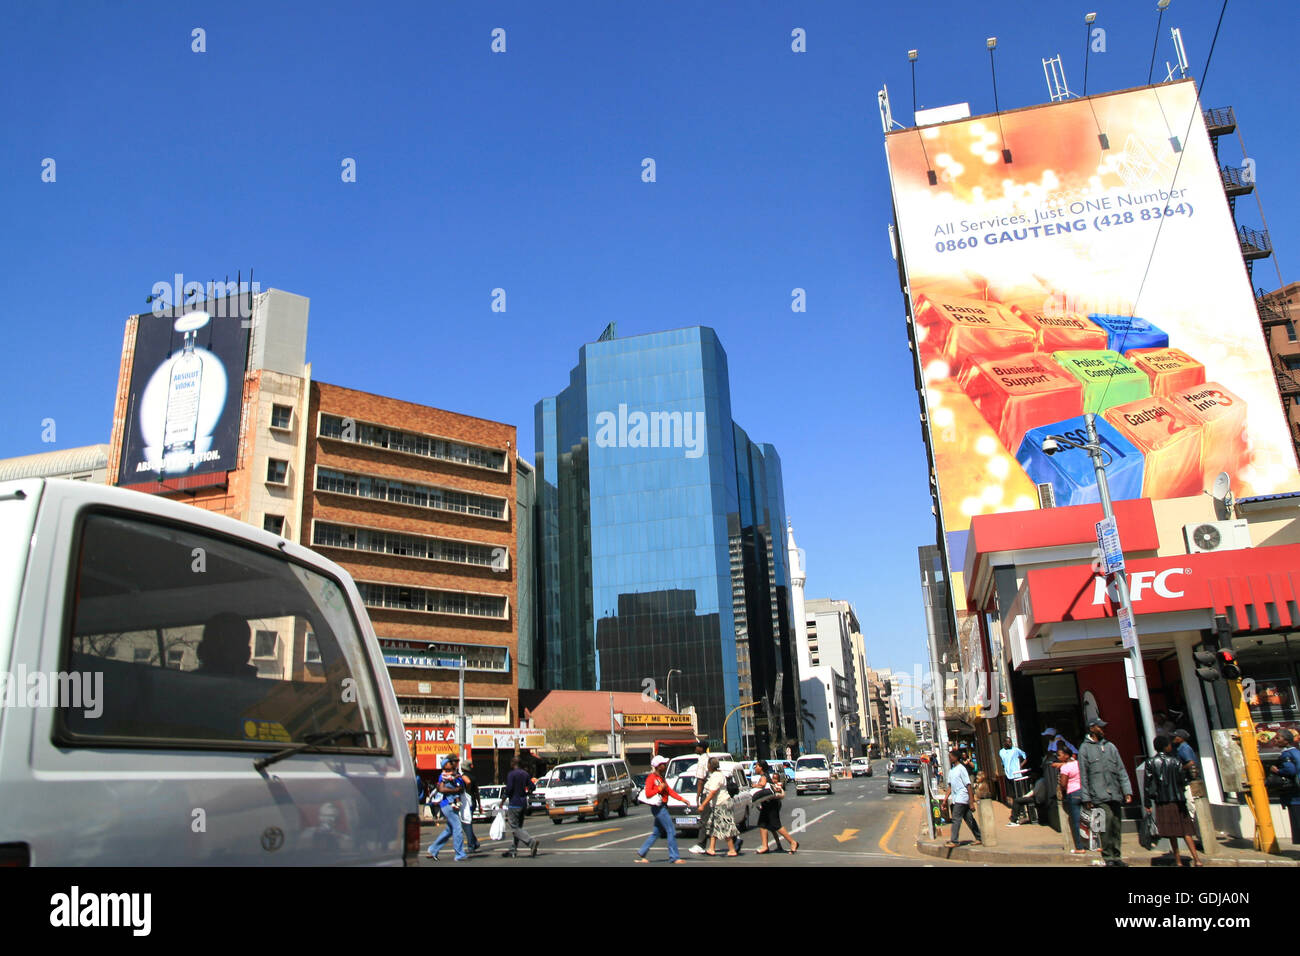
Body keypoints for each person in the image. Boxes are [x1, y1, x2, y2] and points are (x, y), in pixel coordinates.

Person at [1077, 717, 1132, 867]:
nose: (1103, 729)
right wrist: (1086, 797)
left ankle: (1116, 856)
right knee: (1105, 824)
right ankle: (1108, 857)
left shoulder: (1111, 747)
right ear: (1092, 729)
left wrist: (1127, 790)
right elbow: (1084, 775)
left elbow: (1121, 770)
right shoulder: (1084, 749)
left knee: (1116, 824)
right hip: (1098, 795)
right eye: (1100, 727)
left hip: (1114, 793)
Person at [1144, 735, 1201, 867]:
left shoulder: (1151, 762)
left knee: (1172, 833)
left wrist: (1147, 802)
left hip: (1162, 801)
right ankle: (1197, 859)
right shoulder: (1176, 761)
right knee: (1186, 831)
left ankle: (1178, 860)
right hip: (1178, 800)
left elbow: (1147, 784)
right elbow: (1182, 780)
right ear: (1165, 746)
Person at [636, 755, 685, 863]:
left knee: (656, 833)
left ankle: (642, 852)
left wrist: (682, 799)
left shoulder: (661, 778)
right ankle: (674, 857)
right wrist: (659, 788)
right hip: (658, 808)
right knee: (671, 830)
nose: (665, 765)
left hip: (662, 807)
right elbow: (648, 793)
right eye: (663, 764)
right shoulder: (651, 778)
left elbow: (669, 791)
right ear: (658, 766)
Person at [752, 759, 798, 854]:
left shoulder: (764, 776)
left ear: (761, 767)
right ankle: (765, 846)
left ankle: (792, 842)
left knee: (776, 825)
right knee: (762, 824)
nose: (755, 768)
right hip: (768, 803)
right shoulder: (765, 775)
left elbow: (762, 784)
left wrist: (755, 785)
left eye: (756, 766)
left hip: (771, 804)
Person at [427, 757, 469, 861]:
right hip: (447, 804)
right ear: (445, 765)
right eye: (450, 762)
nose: (453, 763)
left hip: (454, 803)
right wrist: (455, 790)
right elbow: (441, 788)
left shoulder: (455, 774)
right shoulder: (444, 776)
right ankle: (459, 854)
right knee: (458, 828)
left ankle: (433, 850)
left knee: (449, 830)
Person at [195, 612, 259, 678]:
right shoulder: (260, 687)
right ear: (247, 654)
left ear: (200, 650)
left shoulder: (187, 684)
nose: (222, 653)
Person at [700, 757, 741, 856]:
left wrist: (703, 804)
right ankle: (711, 848)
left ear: (710, 765)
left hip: (722, 803)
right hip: (716, 805)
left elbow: (712, 792)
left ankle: (732, 849)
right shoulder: (714, 775)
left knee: (725, 826)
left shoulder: (716, 776)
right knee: (713, 825)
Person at [502, 756, 539, 858]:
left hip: (514, 803)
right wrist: (527, 793)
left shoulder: (511, 774)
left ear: (513, 763)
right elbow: (532, 786)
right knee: (518, 828)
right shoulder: (525, 774)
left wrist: (503, 800)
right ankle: (513, 850)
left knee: (514, 828)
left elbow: (509, 789)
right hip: (523, 803)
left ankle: (531, 842)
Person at [944, 749, 981, 847]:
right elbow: (950, 786)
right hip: (956, 798)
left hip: (962, 797)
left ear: (956, 757)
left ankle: (954, 841)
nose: (949, 758)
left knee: (956, 819)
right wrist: (945, 800)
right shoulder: (952, 771)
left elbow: (968, 785)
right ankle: (979, 837)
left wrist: (971, 801)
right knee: (969, 819)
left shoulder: (961, 769)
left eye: (950, 756)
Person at [1056, 744, 1088, 854]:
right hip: (1083, 793)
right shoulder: (1079, 763)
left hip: (1072, 794)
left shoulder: (1065, 767)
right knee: (1087, 819)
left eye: (1059, 755)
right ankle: (1096, 844)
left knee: (1075, 821)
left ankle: (1079, 847)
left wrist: (1062, 789)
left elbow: (1063, 783)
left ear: (1066, 755)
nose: (1058, 757)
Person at [1270, 728, 1300, 844]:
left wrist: (1277, 771)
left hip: (1295, 797)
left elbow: (1290, 770)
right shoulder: (1296, 752)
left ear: (1286, 740)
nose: (1275, 740)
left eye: (1278, 738)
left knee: (1297, 822)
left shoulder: (1286, 754)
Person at [688, 742, 712, 855]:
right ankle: (735, 840)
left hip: (706, 793)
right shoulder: (708, 758)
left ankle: (701, 844)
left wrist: (698, 796)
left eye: (697, 746)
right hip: (712, 792)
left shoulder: (702, 760)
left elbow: (700, 780)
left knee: (703, 820)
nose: (695, 748)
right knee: (716, 819)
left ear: (701, 748)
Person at [1000, 736, 1029, 823]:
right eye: (1008, 742)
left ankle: (1023, 812)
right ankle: (1016, 810)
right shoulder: (1001, 752)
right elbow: (1003, 762)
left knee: (1019, 795)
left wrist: (1020, 765)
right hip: (1008, 775)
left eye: (1010, 742)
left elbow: (1025, 757)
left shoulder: (1016, 750)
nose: (1009, 743)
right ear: (1004, 743)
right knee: (1012, 795)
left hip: (1017, 775)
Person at [459, 760, 481, 852]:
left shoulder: (464, 776)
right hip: (473, 801)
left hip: (467, 802)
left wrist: (466, 791)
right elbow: (477, 792)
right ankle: (474, 842)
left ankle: (471, 845)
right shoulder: (473, 777)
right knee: (467, 822)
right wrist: (480, 805)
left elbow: (467, 782)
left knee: (466, 824)